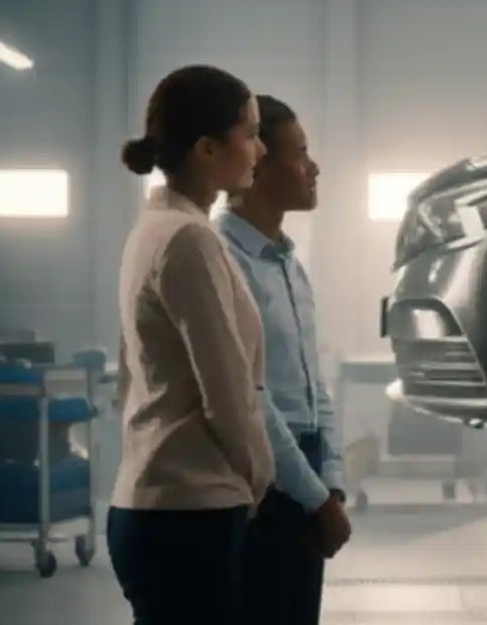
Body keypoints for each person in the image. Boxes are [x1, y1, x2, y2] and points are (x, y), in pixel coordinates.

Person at [112, 64, 273, 624]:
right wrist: (258, 476)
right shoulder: (188, 241)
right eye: (250, 133)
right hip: (189, 509)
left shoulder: (153, 229)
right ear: (207, 149)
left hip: (154, 500)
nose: (260, 149)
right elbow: (227, 389)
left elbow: (126, 377)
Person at [216, 94, 352, 625]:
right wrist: (317, 499)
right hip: (264, 479)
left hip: (308, 471)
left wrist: (332, 481)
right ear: (259, 163)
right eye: (300, 153)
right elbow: (252, 398)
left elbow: (314, 383)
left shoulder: (290, 264)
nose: (313, 167)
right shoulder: (225, 259)